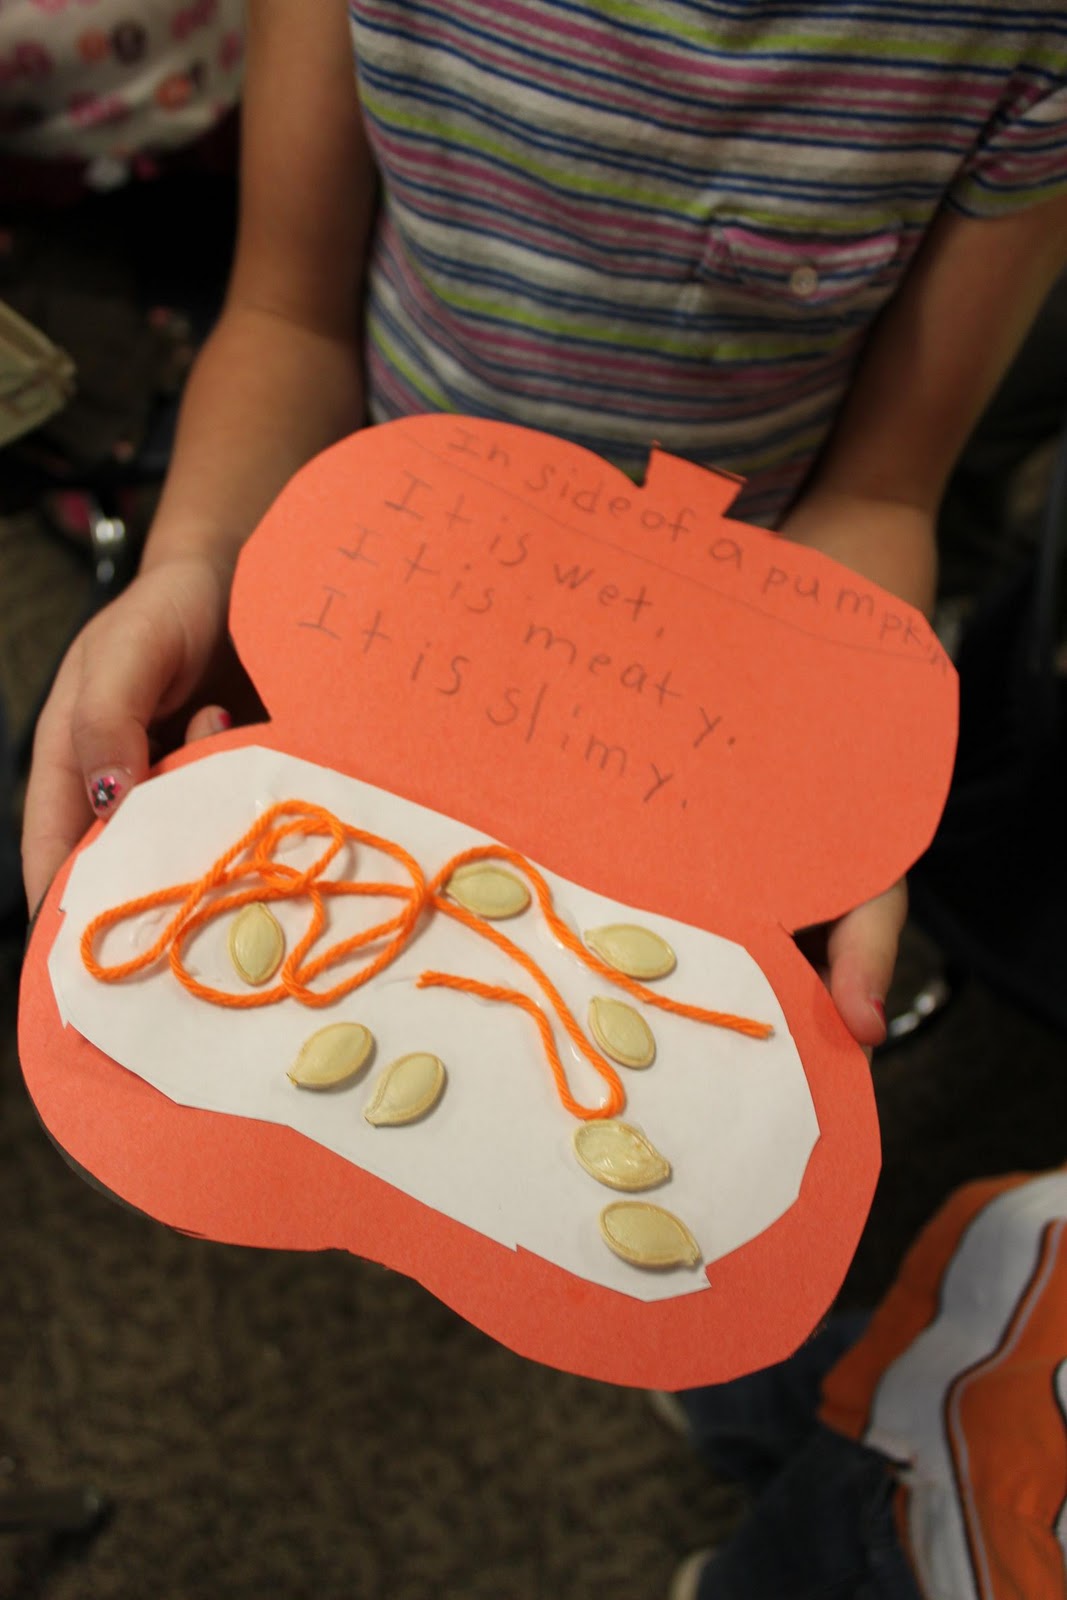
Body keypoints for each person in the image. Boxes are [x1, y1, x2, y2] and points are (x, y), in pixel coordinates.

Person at [20, 2, 1067, 1046]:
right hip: (368, 610)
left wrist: (829, 767)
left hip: (704, 712)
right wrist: (200, 556)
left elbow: (877, 490)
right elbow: (287, 315)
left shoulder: (1022, 37)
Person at [667, 1166, 1067, 1598]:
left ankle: (717, 1387)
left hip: (1017, 1318)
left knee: (915, 1351)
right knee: (840, 1521)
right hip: (990, 1490)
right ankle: (720, 1389)